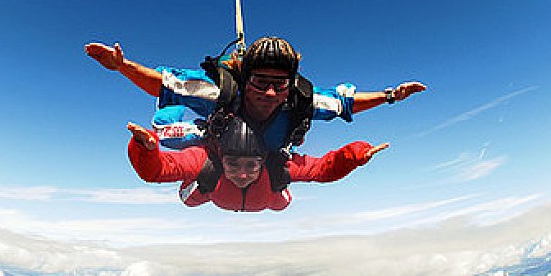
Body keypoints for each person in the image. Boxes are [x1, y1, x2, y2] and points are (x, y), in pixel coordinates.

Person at [86, 38, 426, 150]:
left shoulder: (301, 99)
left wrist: (392, 95)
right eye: (260, 80)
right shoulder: (220, 92)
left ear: (290, 85)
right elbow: (165, 83)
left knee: (277, 193)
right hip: (217, 147)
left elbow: (344, 103)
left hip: (265, 154)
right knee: (167, 133)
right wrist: (122, 66)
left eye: (279, 84)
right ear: (244, 77)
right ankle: (202, 137)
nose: (268, 91)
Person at [126, 115, 388, 212]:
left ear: (262, 161)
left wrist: (355, 155)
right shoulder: (205, 160)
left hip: (267, 199)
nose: (242, 175)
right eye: (233, 165)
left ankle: (274, 186)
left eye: (251, 166)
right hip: (215, 195)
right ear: (222, 157)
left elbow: (322, 169)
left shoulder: (277, 166)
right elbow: (159, 171)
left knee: (282, 198)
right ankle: (170, 114)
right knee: (192, 195)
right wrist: (146, 147)